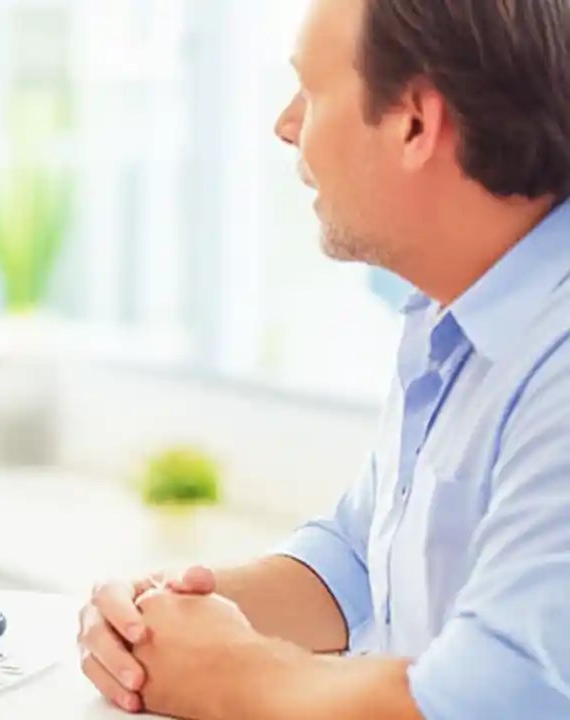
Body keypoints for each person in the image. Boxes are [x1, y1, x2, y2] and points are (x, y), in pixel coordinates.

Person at [79, 0, 570, 717]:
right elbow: (360, 557)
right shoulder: (449, 319)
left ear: (413, 123)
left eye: (309, 92)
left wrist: (229, 674)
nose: (285, 126)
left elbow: (500, 694)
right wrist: (158, 614)